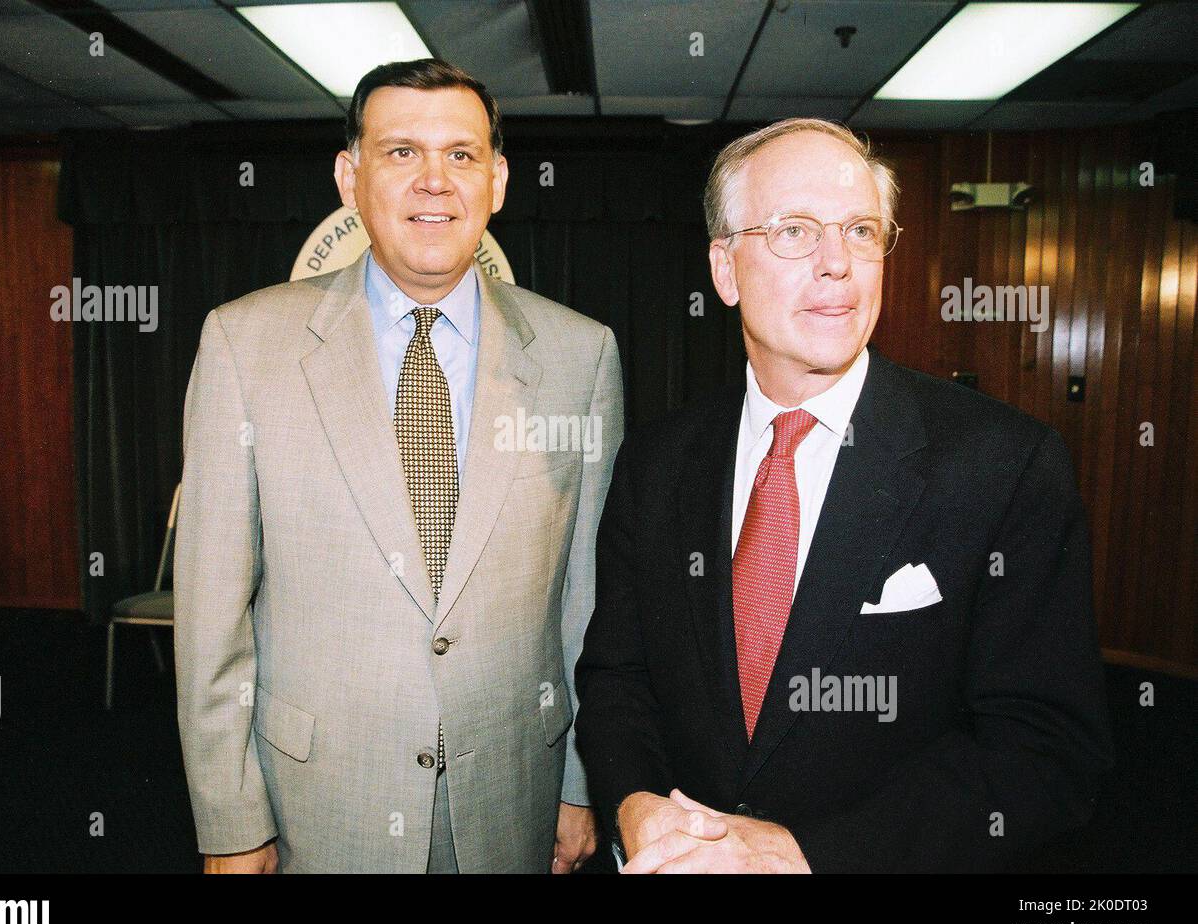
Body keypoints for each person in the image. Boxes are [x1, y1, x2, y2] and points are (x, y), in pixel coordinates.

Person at [575, 118, 1113, 873]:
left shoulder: (1004, 465)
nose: (839, 264)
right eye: (795, 231)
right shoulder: (658, 462)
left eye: (861, 231)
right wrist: (635, 809)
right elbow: (617, 678)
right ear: (724, 270)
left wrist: (803, 855)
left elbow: (1047, 753)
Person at [175, 59, 622, 873]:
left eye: (461, 155)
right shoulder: (245, 346)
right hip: (317, 805)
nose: (434, 183)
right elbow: (211, 612)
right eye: (401, 152)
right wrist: (231, 818)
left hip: (510, 799)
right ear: (351, 177)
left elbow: (591, 599)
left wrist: (580, 782)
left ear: (498, 180)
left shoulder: (580, 356)